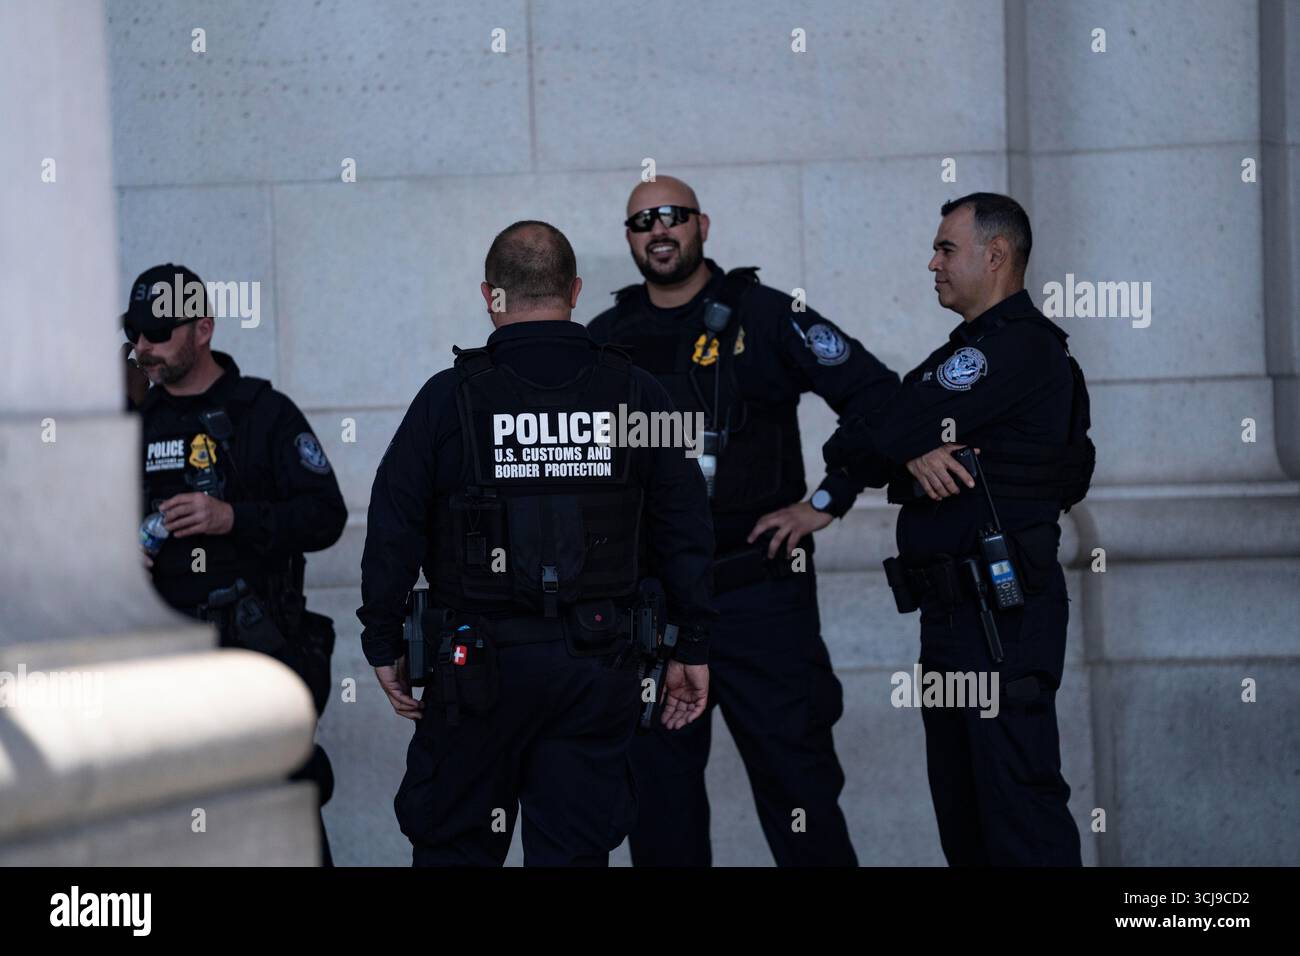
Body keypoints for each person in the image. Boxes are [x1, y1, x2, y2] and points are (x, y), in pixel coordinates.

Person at [358, 221, 715, 867]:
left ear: (491, 295)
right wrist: (692, 644)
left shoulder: (448, 397)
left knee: (455, 850)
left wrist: (384, 641)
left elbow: (392, 526)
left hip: (475, 671)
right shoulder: (638, 391)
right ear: (575, 290)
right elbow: (686, 526)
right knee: (573, 853)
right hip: (597, 666)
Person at [586, 176, 899, 867]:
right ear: (630, 239)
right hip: (654, 606)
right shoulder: (606, 339)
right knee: (660, 811)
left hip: (761, 594)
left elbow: (878, 397)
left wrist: (828, 500)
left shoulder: (766, 313)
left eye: (671, 216)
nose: (657, 230)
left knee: (799, 797)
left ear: (703, 224)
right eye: (641, 222)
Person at [822, 193, 1095, 866]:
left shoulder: (1017, 351)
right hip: (954, 616)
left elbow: (869, 428)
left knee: (1016, 812)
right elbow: (857, 442)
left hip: (999, 616)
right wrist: (912, 453)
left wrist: (899, 444)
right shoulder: (973, 351)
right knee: (966, 819)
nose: (932, 263)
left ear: (995, 256)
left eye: (946, 249)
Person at [126, 263, 347, 865]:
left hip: (257, 662)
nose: (142, 346)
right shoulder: (129, 427)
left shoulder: (264, 413)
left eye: (157, 332)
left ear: (203, 328)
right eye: (134, 331)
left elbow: (326, 516)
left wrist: (234, 518)